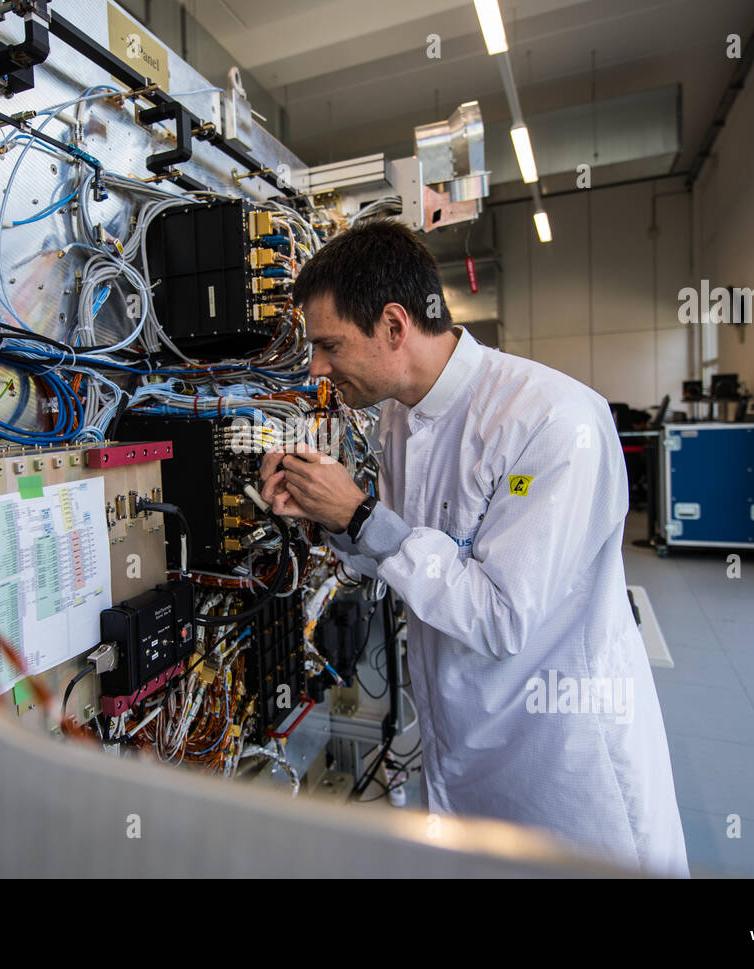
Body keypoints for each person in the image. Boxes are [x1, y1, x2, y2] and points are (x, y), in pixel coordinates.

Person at [259, 219, 689, 876]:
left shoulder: (553, 422)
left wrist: (363, 512)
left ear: (395, 327)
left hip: (561, 765)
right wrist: (327, 515)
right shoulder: (405, 414)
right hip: (465, 744)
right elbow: (409, 558)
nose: (317, 368)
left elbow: (499, 614)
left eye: (328, 345)